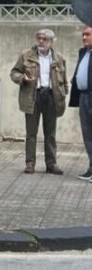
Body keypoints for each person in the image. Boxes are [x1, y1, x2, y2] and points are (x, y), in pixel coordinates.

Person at [10, 29, 68, 175]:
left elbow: (64, 81)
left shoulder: (59, 58)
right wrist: (23, 78)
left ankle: (51, 164)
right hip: (32, 96)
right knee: (31, 133)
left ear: (52, 41)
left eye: (45, 39)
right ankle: (30, 163)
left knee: (50, 133)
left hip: (50, 96)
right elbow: (14, 73)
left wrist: (63, 94)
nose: (41, 41)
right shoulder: (26, 55)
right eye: (39, 38)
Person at [70, 26, 92, 181]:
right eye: (83, 35)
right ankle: (91, 168)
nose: (84, 37)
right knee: (87, 135)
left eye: (88, 35)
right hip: (84, 97)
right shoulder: (83, 52)